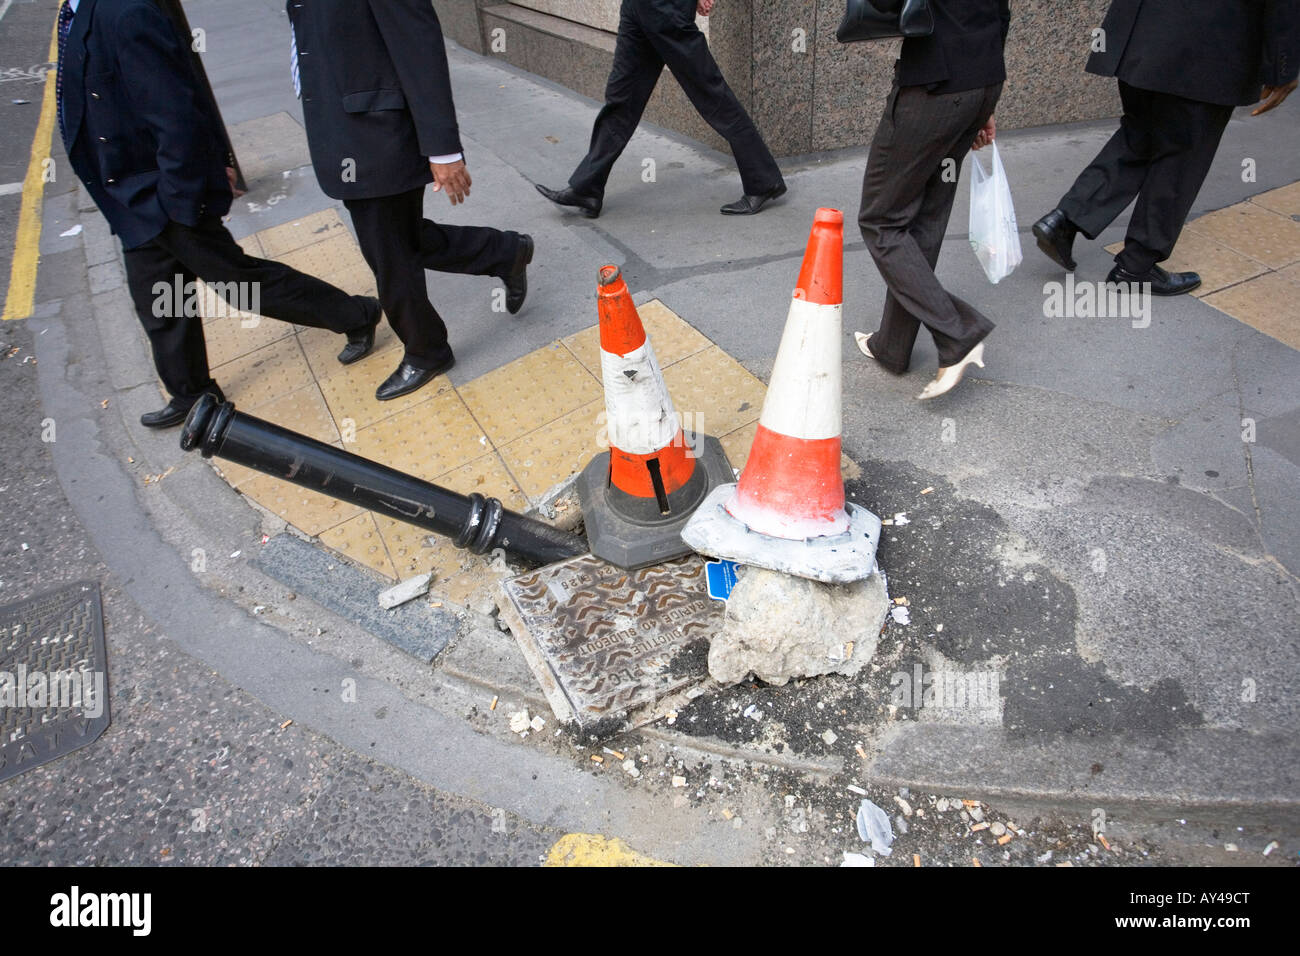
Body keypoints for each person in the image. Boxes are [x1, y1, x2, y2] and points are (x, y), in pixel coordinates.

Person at [57, 0, 381, 428]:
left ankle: (357, 314)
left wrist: (181, 199)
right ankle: (193, 395)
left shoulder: (127, 12)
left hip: (163, 194)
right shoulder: (79, 10)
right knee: (160, 299)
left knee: (240, 284)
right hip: (131, 197)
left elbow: (176, 109)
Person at [288, 0, 534, 402]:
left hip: (376, 132)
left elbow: (418, 44)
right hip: (345, 130)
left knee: (388, 253)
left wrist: (443, 150)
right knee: (400, 240)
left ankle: (427, 351)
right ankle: (504, 252)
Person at [1032, 0, 1300, 295]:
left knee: (1141, 135)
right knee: (1184, 153)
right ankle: (1135, 266)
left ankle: (1064, 220)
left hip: (1143, 31)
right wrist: (1283, 65)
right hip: (1207, 44)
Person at [853, 0, 1010, 401]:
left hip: (934, 88)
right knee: (925, 220)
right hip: (979, 81)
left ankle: (958, 333)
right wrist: (985, 105)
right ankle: (892, 345)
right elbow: (1000, 13)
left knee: (883, 220)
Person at [534, 0, 786, 218]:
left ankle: (763, 181)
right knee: (622, 99)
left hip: (667, 7)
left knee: (710, 93)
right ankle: (587, 188)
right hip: (636, 8)